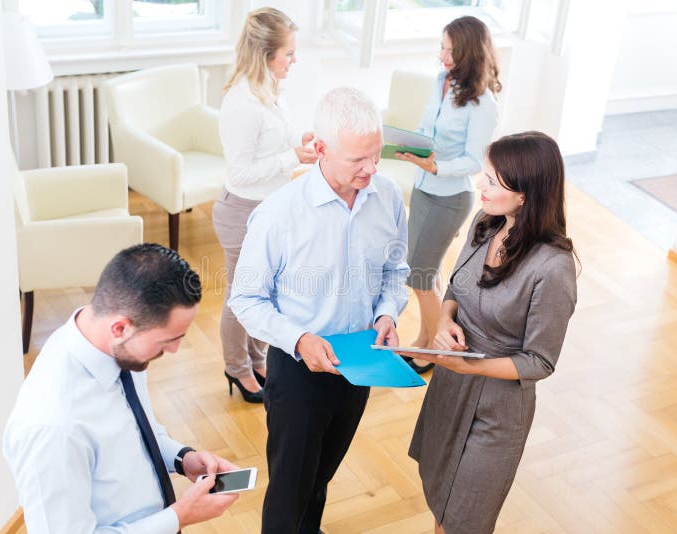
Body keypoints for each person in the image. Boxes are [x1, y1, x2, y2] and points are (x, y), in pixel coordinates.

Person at [229, 87, 410, 534]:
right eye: (357, 159)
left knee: (320, 479)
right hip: (298, 372)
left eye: (377, 155)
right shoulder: (279, 214)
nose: (370, 168)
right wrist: (299, 340)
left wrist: (387, 314)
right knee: (290, 490)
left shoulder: (387, 197)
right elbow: (245, 299)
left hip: (362, 364)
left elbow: (396, 269)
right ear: (322, 149)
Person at [405, 131, 578, 534]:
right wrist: (445, 321)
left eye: (493, 181)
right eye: (484, 175)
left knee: (465, 517)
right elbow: (456, 288)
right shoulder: (485, 223)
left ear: (525, 194)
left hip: (498, 409)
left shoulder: (553, 269)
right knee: (440, 500)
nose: (480, 185)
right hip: (452, 385)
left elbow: (540, 361)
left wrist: (472, 369)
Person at [3, 244, 239, 533]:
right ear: (120, 328)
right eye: (168, 340)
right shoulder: (54, 427)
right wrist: (178, 517)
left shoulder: (117, 349)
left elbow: (136, 431)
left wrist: (182, 458)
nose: (175, 349)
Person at [215, 7, 317, 403]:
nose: (293, 61)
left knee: (264, 294)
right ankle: (236, 368)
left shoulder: (270, 87)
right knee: (241, 298)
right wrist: (294, 157)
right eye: (288, 53)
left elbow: (272, 141)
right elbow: (241, 173)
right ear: (265, 53)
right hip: (241, 211)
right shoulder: (240, 102)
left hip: (268, 209)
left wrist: (300, 141)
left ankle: (257, 359)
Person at [395, 15, 501, 373]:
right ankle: (427, 339)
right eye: (441, 47)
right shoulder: (441, 81)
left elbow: (474, 161)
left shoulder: (483, 104)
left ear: (470, 54)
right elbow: (428, 126)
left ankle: (431, 345)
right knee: (424, 271)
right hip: (424, 189)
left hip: (451, 197)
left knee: (419, 275)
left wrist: (436, 167)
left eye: (450, 51)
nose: (442, 56)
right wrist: (415, 145)